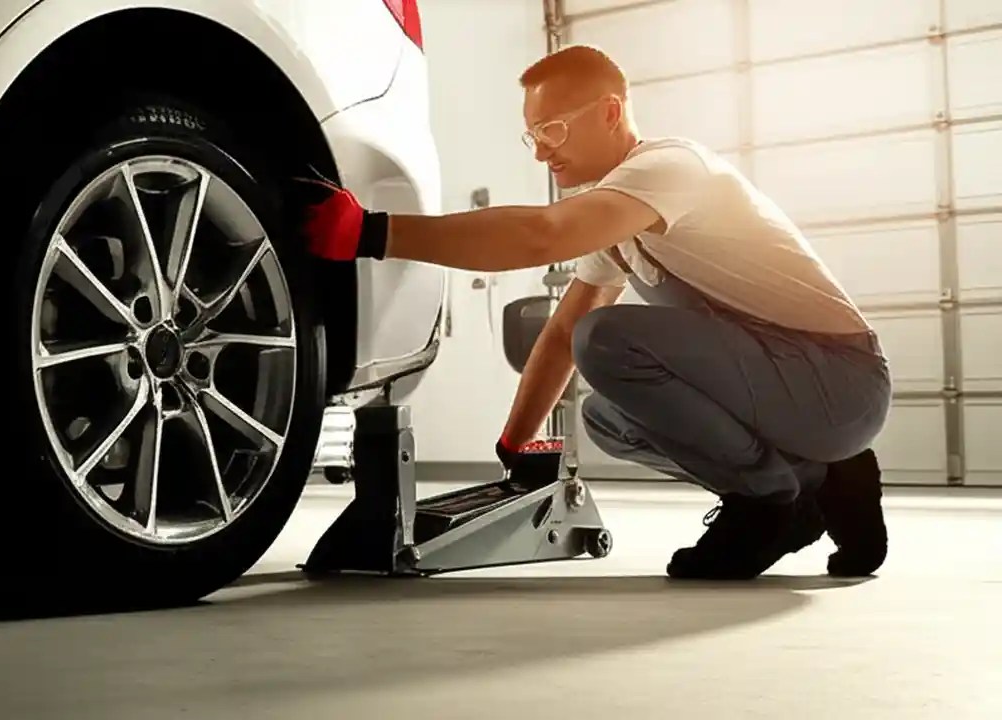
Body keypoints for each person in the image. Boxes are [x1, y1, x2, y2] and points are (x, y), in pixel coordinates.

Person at [298, 44, 890, 581]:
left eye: (553, 128)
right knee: (609, 416)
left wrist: (371, 232)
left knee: (607, 338)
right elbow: (558, 336)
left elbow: (539, 236)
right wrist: (515, 444)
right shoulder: (619, 219)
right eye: (533, 136)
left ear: (611, 113)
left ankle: (767, 507)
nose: (543, 150)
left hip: (840, 381)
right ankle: (826, 482)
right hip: (791, 387)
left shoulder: (671, 169)